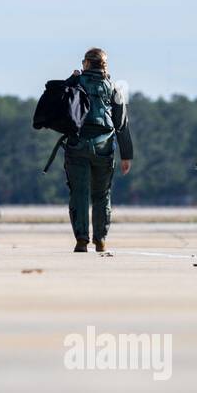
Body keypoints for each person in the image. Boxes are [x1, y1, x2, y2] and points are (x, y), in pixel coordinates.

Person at [62, 48, 133, 253]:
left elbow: (58, 101)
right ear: (104, 64)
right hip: (104, 147)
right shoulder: (113, 87)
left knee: (79, 193)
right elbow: (121, 123)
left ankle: (81, 240)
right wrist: (126, 154)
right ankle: (100, 240)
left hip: (76, 145)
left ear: (86, 63)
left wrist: (71, 78)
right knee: (102, 194)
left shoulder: (76, 82)